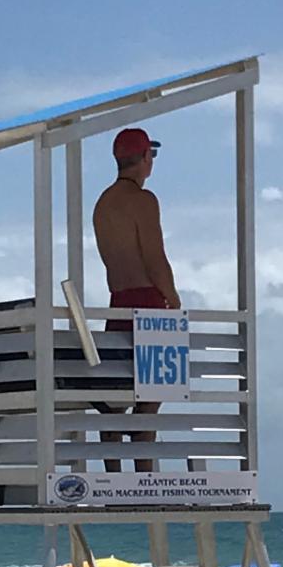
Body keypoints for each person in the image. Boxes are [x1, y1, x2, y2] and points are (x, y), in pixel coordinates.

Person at [92, 126, 180, 473]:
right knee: (148, 403)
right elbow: (155, 258)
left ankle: (113, 477)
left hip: (118, 300)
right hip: (148, 302)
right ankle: (145, 478)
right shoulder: (143, 200)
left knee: (114, 402)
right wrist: (173, 299)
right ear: (145, 158)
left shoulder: (103, 203)